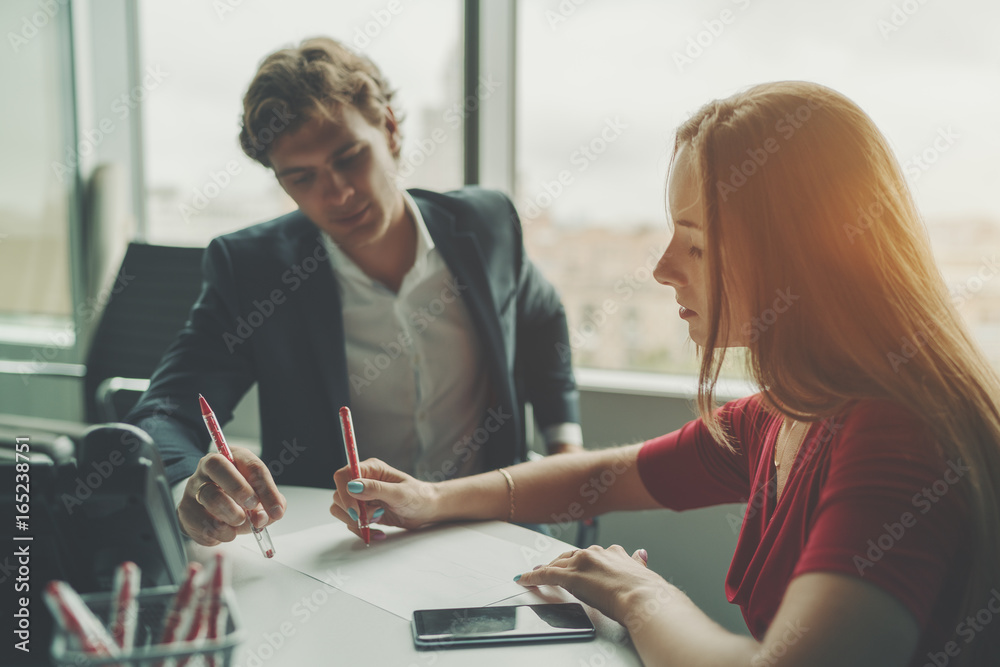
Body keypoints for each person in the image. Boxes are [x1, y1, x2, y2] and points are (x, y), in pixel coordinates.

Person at [330, 81, 1000, 666]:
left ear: (802, 259)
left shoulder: (896, 432)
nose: (662, 268)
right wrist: (432, 498)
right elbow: (603, 475)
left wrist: (639, 593)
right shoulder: (785, 411)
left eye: (698, 241)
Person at [125, 37, 582, 547]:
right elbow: (163, 411)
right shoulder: (252, 271)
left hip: (496, 530)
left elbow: (542, 314)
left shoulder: (487, 223)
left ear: (389, 129)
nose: (337, 192)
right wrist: (192, 485)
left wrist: (565, 446)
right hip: (346, 547)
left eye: (348, 157)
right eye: (302, 177)